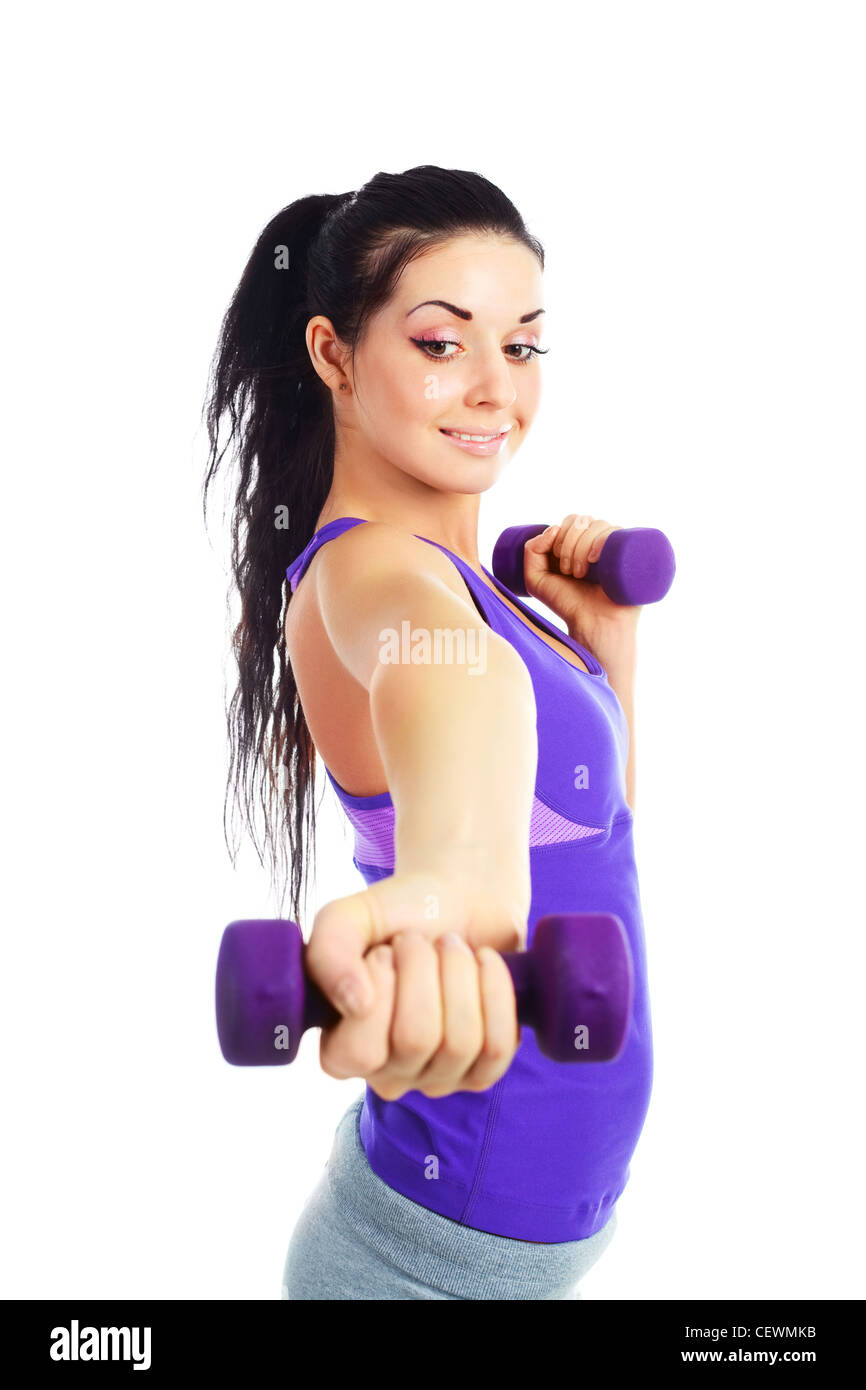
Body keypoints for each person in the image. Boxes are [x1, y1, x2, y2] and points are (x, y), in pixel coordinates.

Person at [202, 165, 653, 1300]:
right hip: (417, 1263)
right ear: (333, 356)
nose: (493, 389)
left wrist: (606, 653)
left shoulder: (480, 596)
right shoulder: (370, 576)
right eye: (442, 344)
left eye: (523, 345)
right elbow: (456, 692)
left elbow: (589, 843)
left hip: (519, 1243)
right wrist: (454, 882)